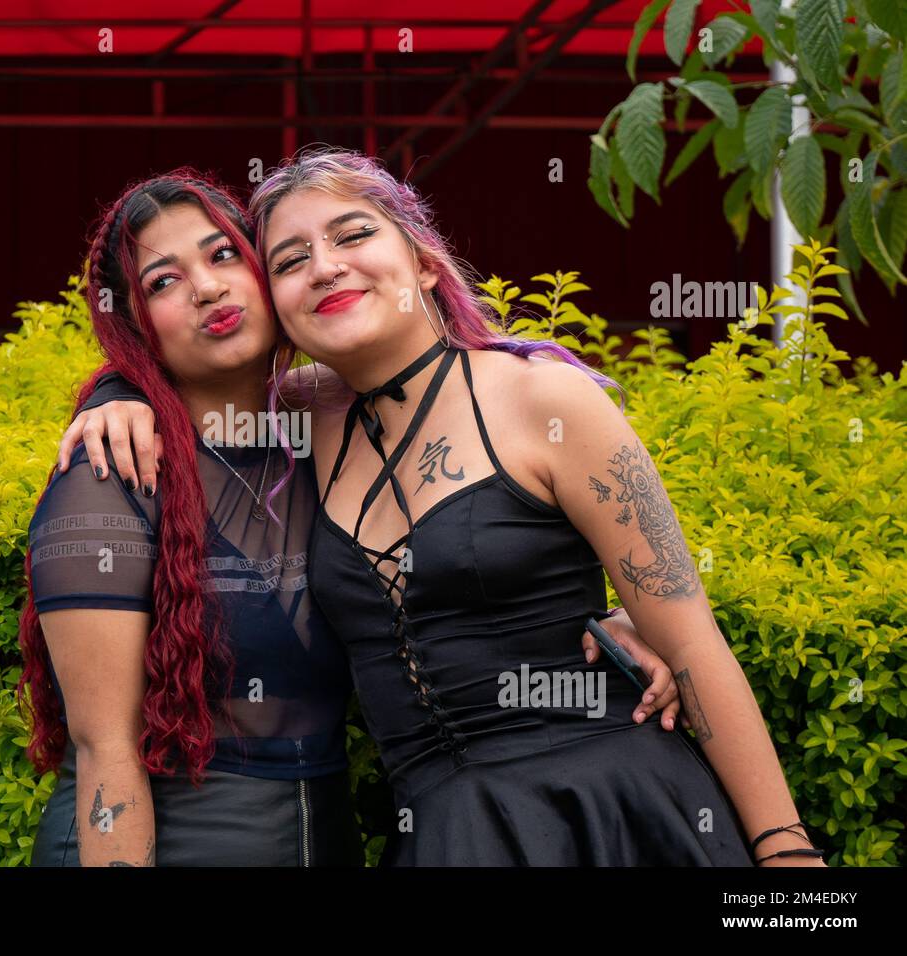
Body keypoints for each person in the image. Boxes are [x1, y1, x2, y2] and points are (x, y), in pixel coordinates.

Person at [67, 148, 826, 867]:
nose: (324, 266)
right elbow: (191, 376)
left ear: (425, 263)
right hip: (443, 832)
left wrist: (786, 851)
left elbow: (691, 644)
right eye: (290, 261)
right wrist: (117, 393)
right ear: (281, 310)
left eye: (353, 234)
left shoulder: (544, 399)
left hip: (610, 803)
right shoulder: (302, 422)